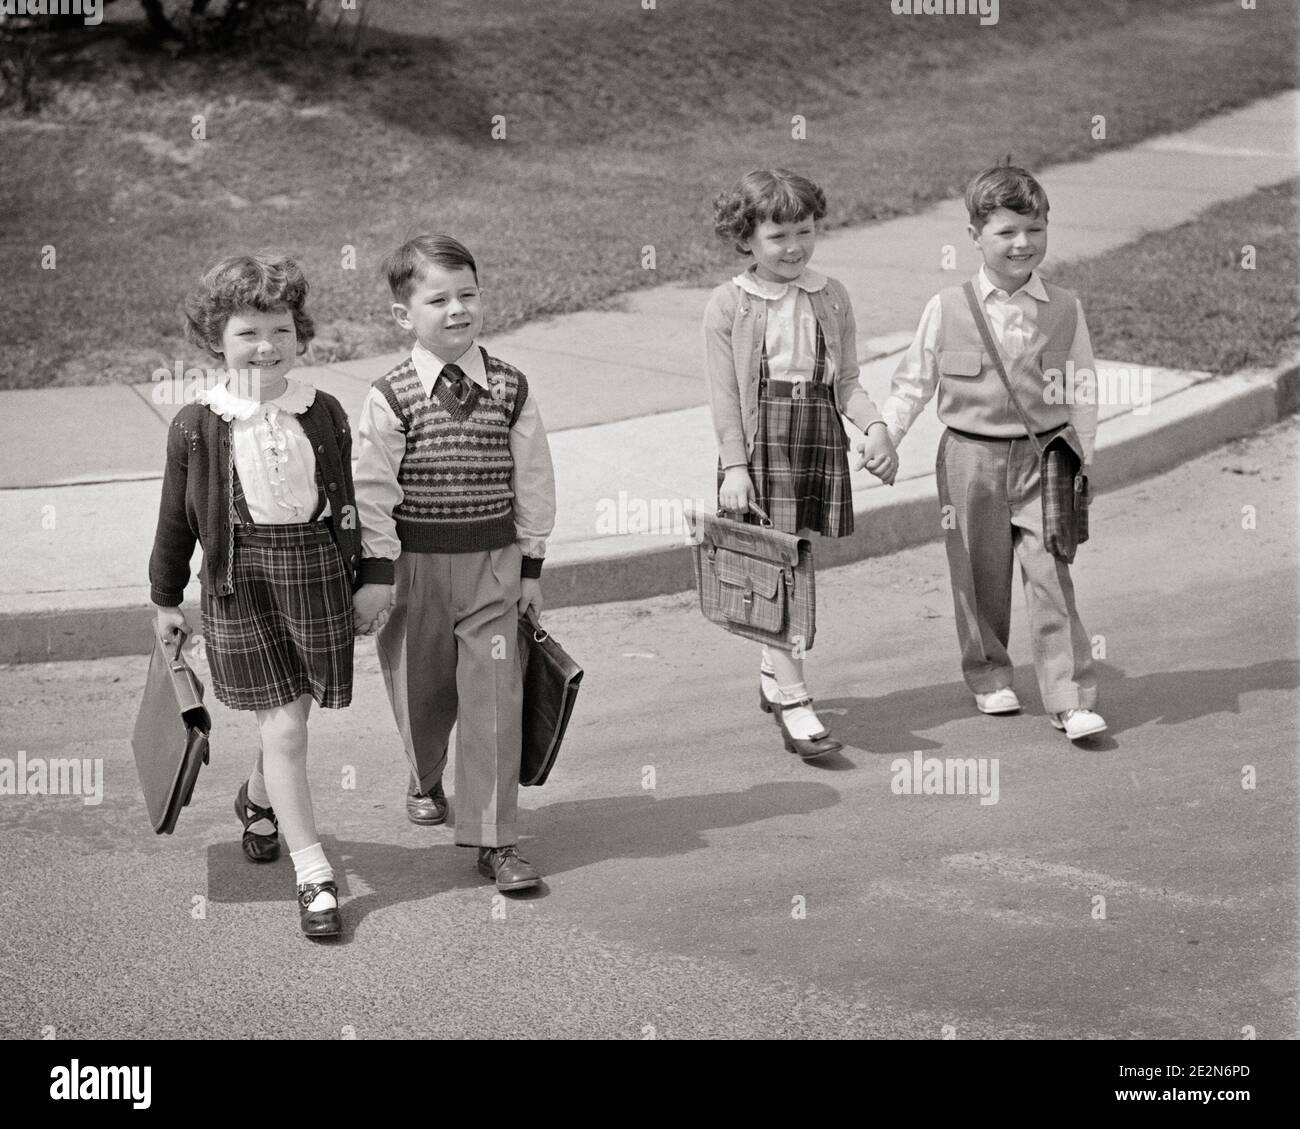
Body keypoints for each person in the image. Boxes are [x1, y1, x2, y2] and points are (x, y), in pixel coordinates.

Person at [149, 252, 360, 938]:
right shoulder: (196, 424)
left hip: (315, 574)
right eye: (248, 331)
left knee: (294, 722)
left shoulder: (322, 412)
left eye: (279, 328)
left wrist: (368, 577)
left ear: (300, 334)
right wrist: (165, 598)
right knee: (288, 729)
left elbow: (346, 504)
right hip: (240, 582)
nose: (265, 345)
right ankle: (315, 874)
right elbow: (176, 522)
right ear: (216, 338)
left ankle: (259, 798)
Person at [352, 234, 557, 891]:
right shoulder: (391, 396)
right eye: (437, 299)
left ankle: (496, 838)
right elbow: (373, 492)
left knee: (494, 697)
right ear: (403, 315)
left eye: (467, 294)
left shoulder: (509, 386)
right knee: (422, 688)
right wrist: (378, 575)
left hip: (492, 566)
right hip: (415, 568)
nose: (456, 309)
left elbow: (534, 478)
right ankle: (425, 771)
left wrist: (531, 567)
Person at [879, 163, 1106, 740]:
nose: (1022, 243)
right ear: (975, 236)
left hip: (1045, 459)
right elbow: (913, 382)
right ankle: (989, 676)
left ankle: (1070, 697)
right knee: (978, 576)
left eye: (1035, 229)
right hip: (967, 459)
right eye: (1006, 232)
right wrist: (886, 435)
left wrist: (1083, 456)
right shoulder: (947, 306)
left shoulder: (1065, 307)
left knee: (1051, 574)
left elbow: (1082, 388)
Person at [704, 168, 899, 760]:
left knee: (795, 560)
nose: (794, 248)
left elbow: (847, 383)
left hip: (815, 436)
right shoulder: (728, 305)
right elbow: (725, 400)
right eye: (778, 236)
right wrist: (735, 468)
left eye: (805, 232)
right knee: (779, 569)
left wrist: (875, 427)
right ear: (746, 239)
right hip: (762, 446)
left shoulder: (831, 295)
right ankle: (794, 698)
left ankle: (772, 668)